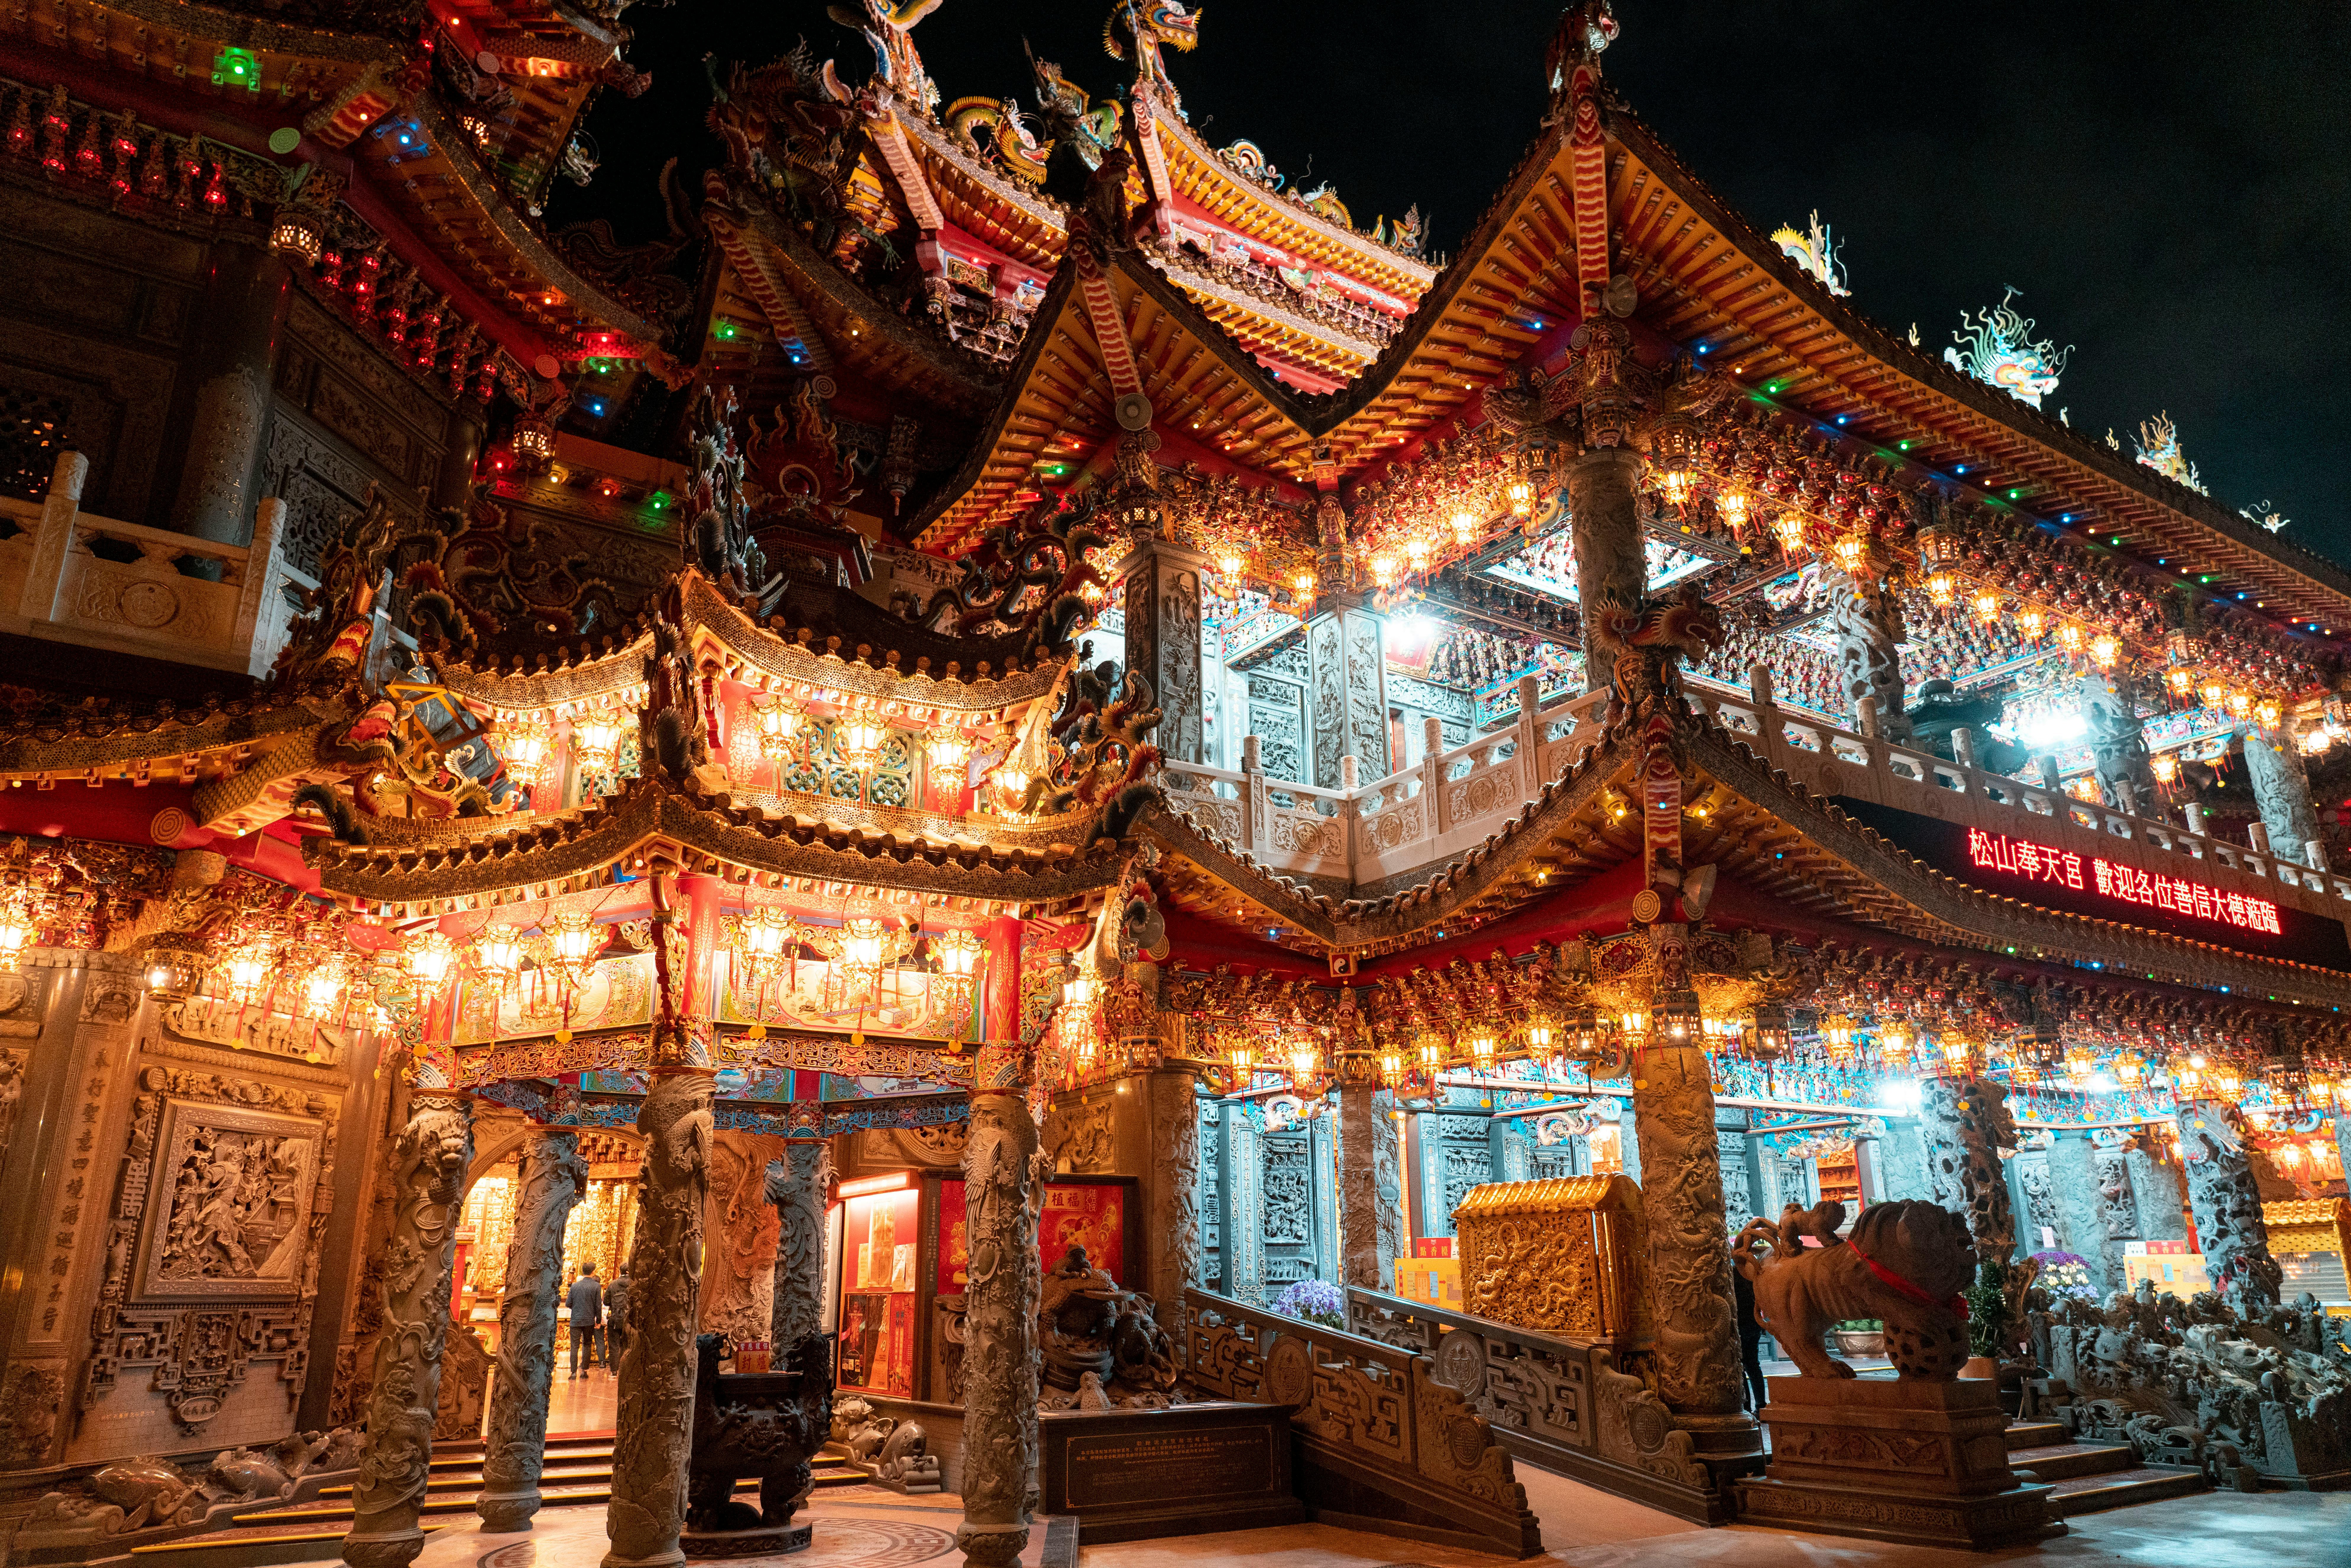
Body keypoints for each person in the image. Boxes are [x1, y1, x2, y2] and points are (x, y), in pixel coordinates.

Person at [1733, 1266, 1768, 1415]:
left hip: (1740, 1326)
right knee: (1753, 1366)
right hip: (1754, 1325)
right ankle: (1761, 1407)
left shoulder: (1732, 1275)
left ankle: (1746, 1408)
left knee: (1741, 1368)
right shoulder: (1751, 1275)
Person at [566, 1261, 604, 1378]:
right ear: (593, 1272)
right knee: (587, 1345)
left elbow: (568, 1303)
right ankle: (584, 1371)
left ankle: (573, 1373)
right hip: (589, 1321)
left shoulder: (575, 1286)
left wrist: (577, 1308)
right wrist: (598, 1320)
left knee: (574, 1346)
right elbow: (598, 1306)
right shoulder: (596, 1286)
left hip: (576, 1320)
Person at [605, 1267, 631, 1367]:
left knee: (614, 1345)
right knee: (628, 1345)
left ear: (620, 1271)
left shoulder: (613, 1284)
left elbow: (606, 1301)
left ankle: (614, 1370)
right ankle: (625, 1368)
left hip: (615, 1318)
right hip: (629, 1319)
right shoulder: (634, 1283)